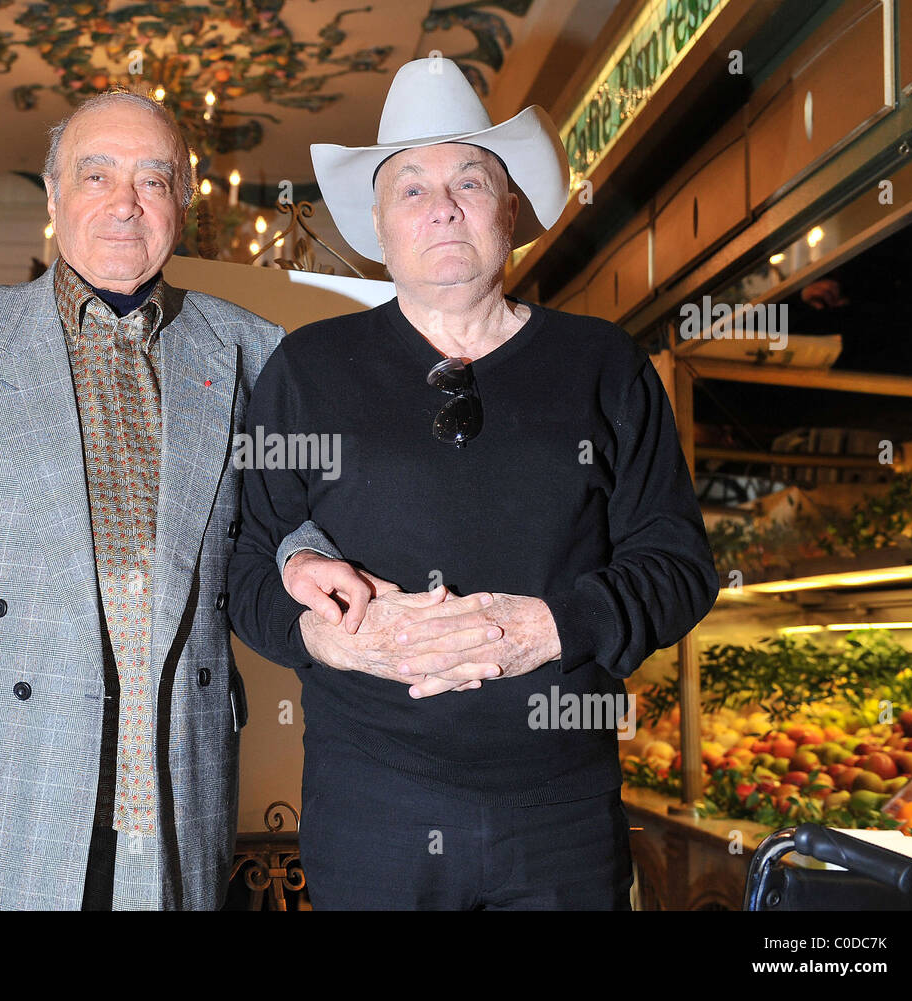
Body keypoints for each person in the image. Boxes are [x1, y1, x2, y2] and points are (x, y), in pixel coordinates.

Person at [228, 58, 719, 910]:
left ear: (511, 210)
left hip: (563, 814)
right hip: (371, 809)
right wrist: (325, 639)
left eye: (469, 179)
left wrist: (553, 626)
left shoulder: (605, 365)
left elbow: (679, 565)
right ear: (380, 227)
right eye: (410, 188)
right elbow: (242, 565)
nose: (442, 204)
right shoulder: (307, 368)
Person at [0, 89, 333, 910]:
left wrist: (315, 557)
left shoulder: (251, 348)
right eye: (96, 176)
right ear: (54, 198)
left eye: (154, 180)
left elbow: (290, 522)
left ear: (184, 204)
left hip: (172, 791)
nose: (125, 204)